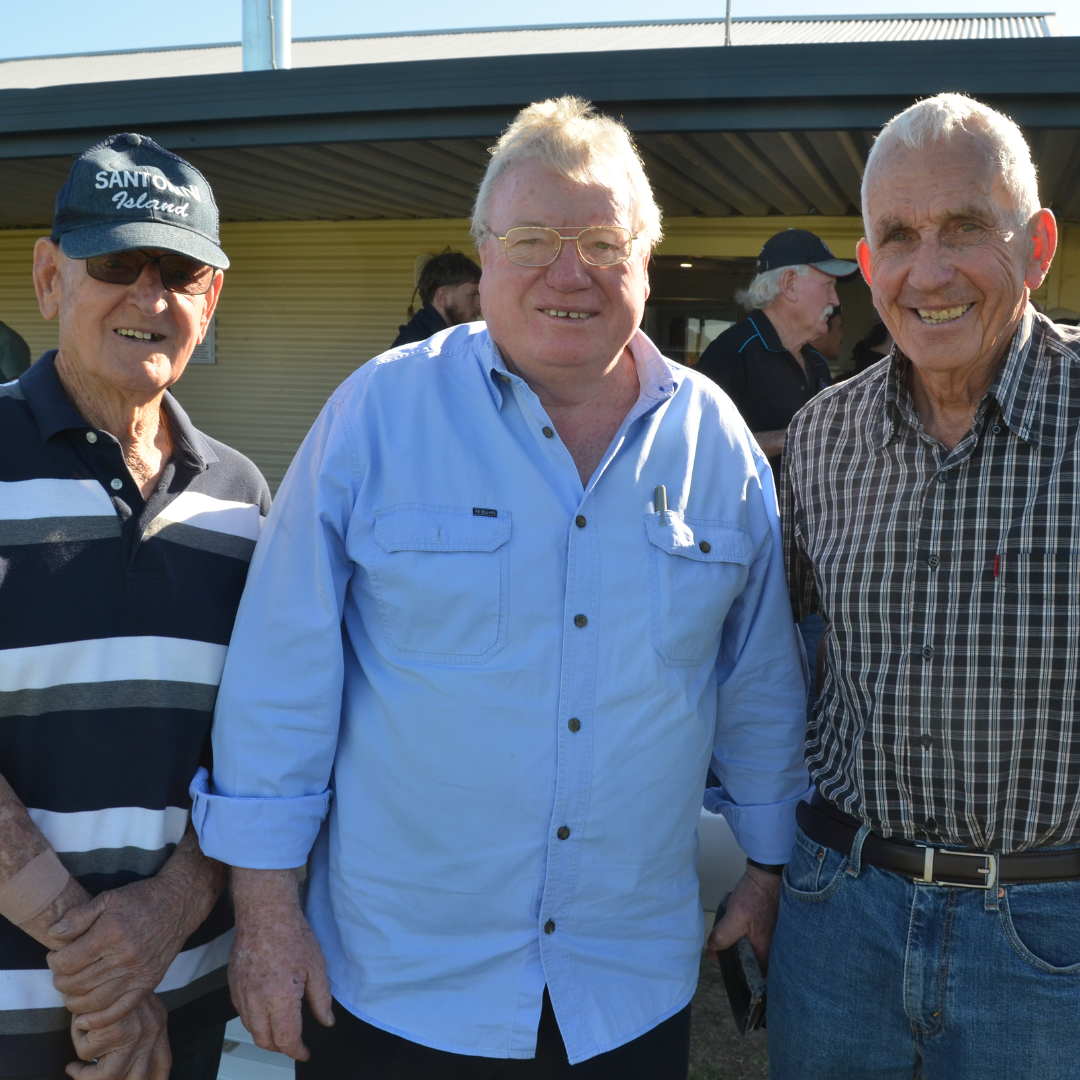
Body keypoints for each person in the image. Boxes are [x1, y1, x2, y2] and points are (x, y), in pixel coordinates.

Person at [191, 96, 809, 1079]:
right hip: (396, 989)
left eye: (603, 240)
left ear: (646, 258)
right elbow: (281, 678)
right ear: (484, 257)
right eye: (532, 238)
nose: (570, 272)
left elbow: (759, 682)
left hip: (626, 990)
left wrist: (768, 870)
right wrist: (265, 913)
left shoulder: (716, 442)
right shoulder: (376, 416)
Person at [770, 92, 1078, 1079]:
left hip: (1051, 940)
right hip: (840, 919)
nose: (929, 271)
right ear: (866, 265)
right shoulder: (822, 436)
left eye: (965, 230)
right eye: (898, 237)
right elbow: (759, 655)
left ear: (1036, 247)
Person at [0, 132, 270, 1080]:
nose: (149, 298)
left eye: (181, 271)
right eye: (116, 262)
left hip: (180, 1001)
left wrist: (158, 928)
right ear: (48, 279)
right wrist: (104, 968)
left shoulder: (244, 498)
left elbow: (266, 746)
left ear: (211, 299)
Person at [693, 228, 857, 471]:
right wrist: (790, 437)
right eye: (827, 285)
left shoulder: (816, 362)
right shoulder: (732, 352)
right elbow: (697, 445)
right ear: (789, 284)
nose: (836, 300)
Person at [391, 250, 482, 347]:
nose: (480, 304)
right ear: (443, 297)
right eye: (472, 295)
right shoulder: (414, 348)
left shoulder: (445, 339)